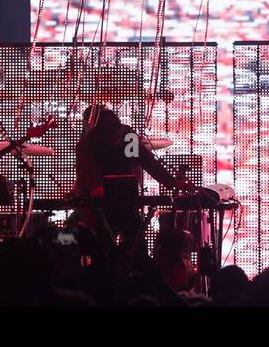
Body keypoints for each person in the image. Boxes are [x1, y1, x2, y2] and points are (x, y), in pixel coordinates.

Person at [71, 104, 187, 262]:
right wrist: (172, 183)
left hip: (112, 200)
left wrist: (172, 183)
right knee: (124, 245)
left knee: (112, 247)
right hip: (114, 200)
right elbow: (145, 162)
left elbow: (145, 161)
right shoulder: (115, 137)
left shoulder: (97, 139)